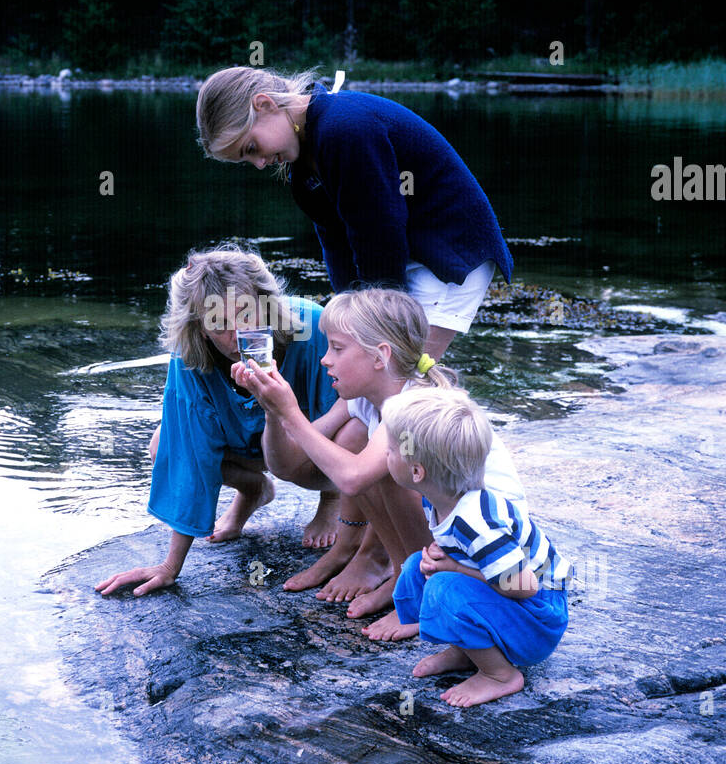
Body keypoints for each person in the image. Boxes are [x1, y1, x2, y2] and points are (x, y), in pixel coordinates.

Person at [231, 288, 526, 622]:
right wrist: (274, 411)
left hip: (486, 541)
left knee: (394, 463)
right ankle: (403, 574)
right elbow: (287, 465)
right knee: (360, 444)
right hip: (447, 529)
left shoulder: (415, 403)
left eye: (337, 348)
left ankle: (421, 595)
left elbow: (352, 479)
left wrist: (292, 414)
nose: (325, 359)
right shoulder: (361, 396)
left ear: (380, 356)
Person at [195, 66, 513, 363]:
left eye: (251, 148)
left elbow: (379, 231)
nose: (260, 164)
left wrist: (378, 322)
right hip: (408, 247)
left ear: (264, 104)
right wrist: (348, 312)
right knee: (367, 370)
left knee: (402, 374)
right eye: (246, 160)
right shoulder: (303, 161)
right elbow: (336, 241)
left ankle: (450, 420)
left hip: (450, 252)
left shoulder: (344, 129)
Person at [95, 248, 340, 598]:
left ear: (267, 304)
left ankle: (331, 500)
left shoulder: (310, 326)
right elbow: (188, 448)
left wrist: (297, 431)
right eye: (219, 324)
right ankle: (252, 491)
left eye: (246, 314)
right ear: (200, 329)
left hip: (310, 441)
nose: (238, 334)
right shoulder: (190, 356)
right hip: (248, 444)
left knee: (323, 441)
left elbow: (354, 411)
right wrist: (170, 567)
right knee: (162, 443)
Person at [381, 386, 571, 707]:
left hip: (539, 616)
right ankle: (467, 650)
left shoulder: (477, 523)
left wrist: (453, 568)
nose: (385, 453)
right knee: (416, 567)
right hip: (518, 605)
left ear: (417, 471)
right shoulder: (437, 499)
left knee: (444, 587)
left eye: (390, 448)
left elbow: (525, 586)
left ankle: (499, 674)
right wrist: (442, 560)